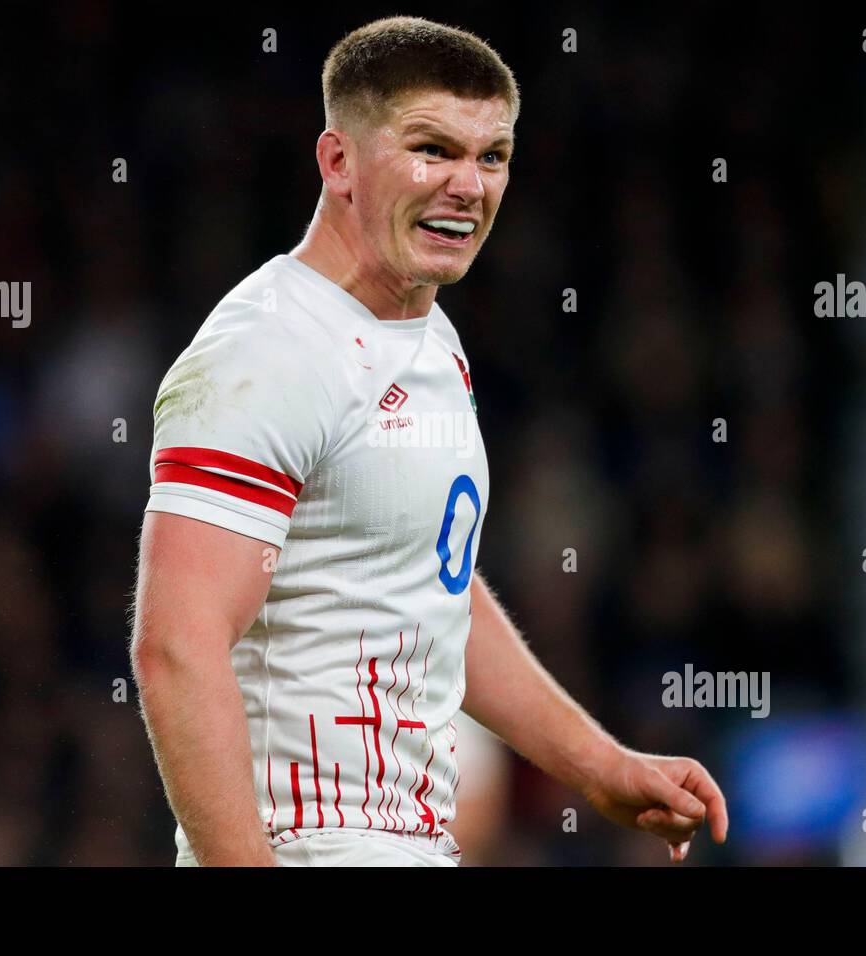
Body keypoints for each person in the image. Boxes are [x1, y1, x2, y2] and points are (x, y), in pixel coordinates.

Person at [130, 14, 728, 867]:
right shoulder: (267, 352)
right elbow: (175, 646)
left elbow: (428, 590)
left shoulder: (433, 339)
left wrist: (600, 767)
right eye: (432, 149)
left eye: (492, 156)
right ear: (338, 162)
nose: (468, 185)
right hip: (306, 846)